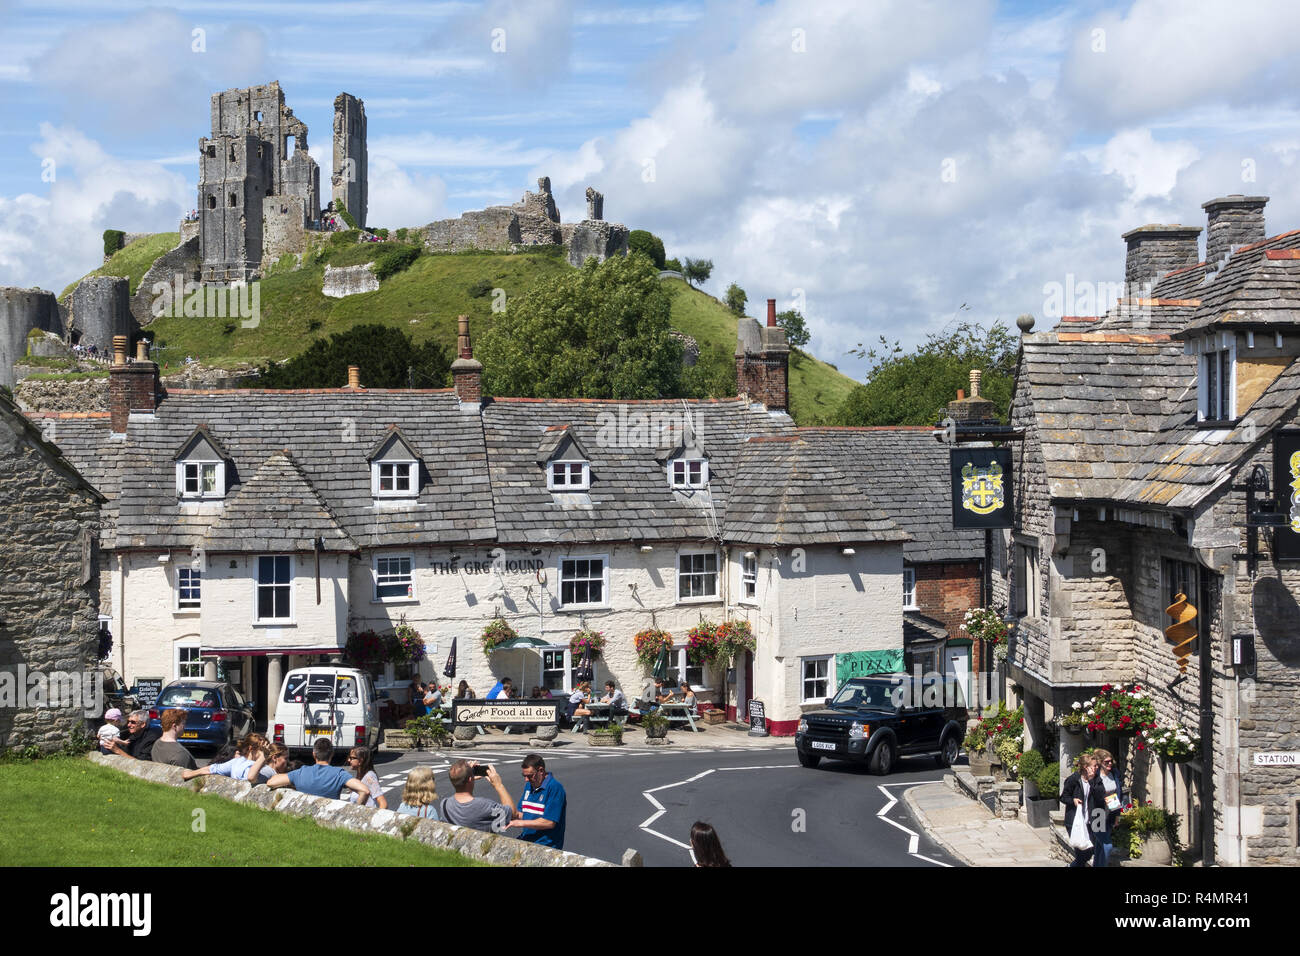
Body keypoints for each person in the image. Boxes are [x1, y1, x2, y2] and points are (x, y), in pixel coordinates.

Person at [266, 738, 371, 802]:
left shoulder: (301, 772)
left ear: (314, 754)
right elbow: (365, 791)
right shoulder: (339, 774)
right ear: (331, 755)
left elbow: (271, 782)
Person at [506, 753, 566, 850]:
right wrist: (505, 816)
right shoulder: (529, 785)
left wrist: (521, 823)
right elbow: (521, 814)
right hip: (527, 839)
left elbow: (549, 822)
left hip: (546, 845)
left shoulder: (555, 788)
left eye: (530, 776)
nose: (526, 780)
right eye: (524, 775)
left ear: (541, 771)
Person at [439, 760, 515, 833]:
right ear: (470, 779)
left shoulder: (445, 804)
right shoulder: (484, 805)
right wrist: (499, 785)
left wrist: (466, 777)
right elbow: (512, 814)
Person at [183, 733, 273, 783]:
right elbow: (251, 777)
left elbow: (211, 769)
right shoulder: (263, 768)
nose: (267, 753)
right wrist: (263, 757)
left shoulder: (237, 762)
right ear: (251, 749)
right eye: (263, 749)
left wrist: (191, 774)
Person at [1061, 752, 1099, 867]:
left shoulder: (1096, 780)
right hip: (1075, 822)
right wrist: (1073, 800)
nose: (1096, 768)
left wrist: (1092, 780)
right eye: (1094, 766)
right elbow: (1063, 797)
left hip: (1090, 822)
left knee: (1090, 852)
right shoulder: (1074, 780)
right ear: (1086, 767)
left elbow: (1099, 795)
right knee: (1082, 854)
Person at [1091, 748, 1124, 868]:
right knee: (1107, 846)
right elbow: (1091, 795)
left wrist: (1117, 815)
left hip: (1111, 813)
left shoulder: (1114, 773)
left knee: (1099, 847)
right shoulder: (1095, 776)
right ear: (1100, 762)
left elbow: (1118, 793)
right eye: (1106, 762)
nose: (1110, 763)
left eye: (1111, 761)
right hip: (1097, 814)